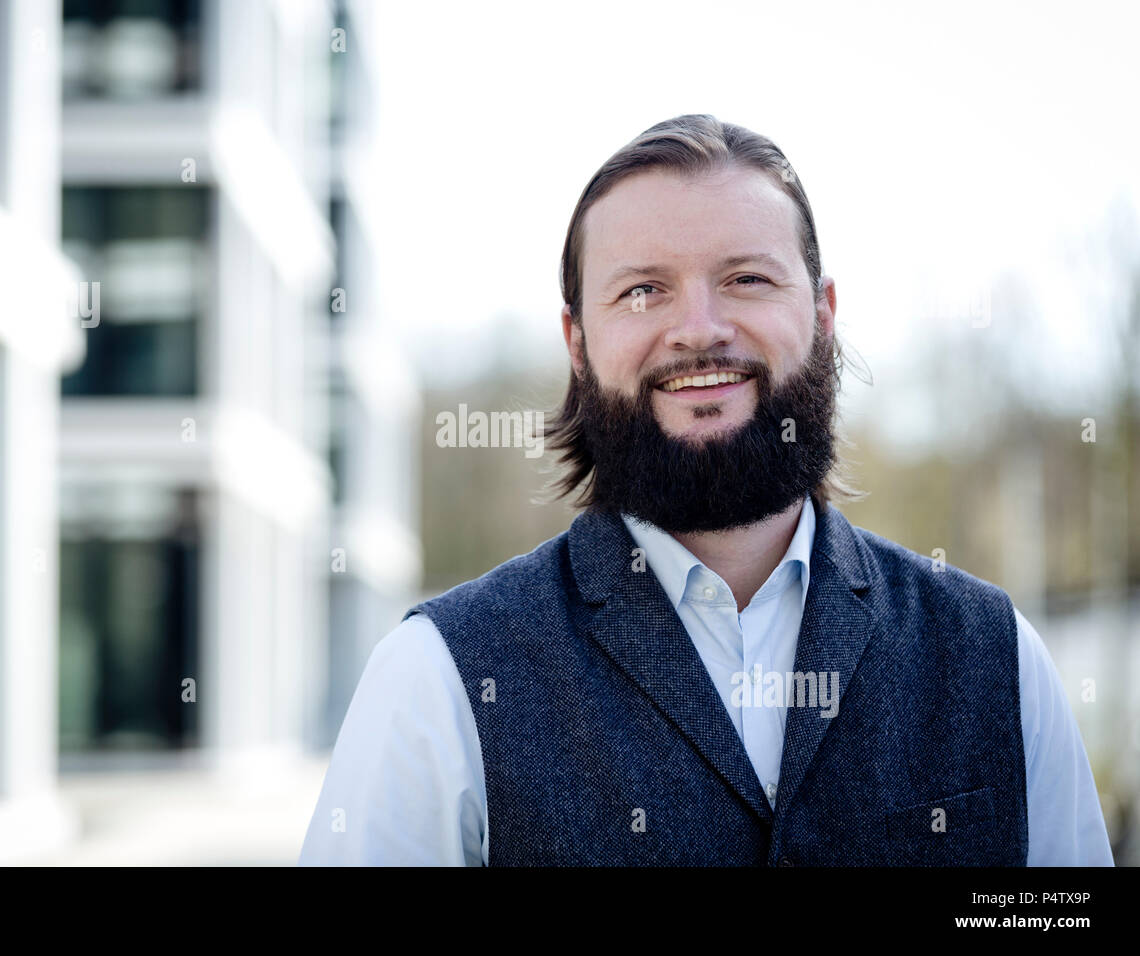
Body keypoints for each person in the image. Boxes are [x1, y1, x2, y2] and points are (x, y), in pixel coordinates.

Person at [299, 114, 1115, 866]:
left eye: (747, 279)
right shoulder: (436, 676)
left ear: (824, 316)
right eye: (643, 290)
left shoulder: (996, 658)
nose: (699, 328)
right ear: (578, 343)